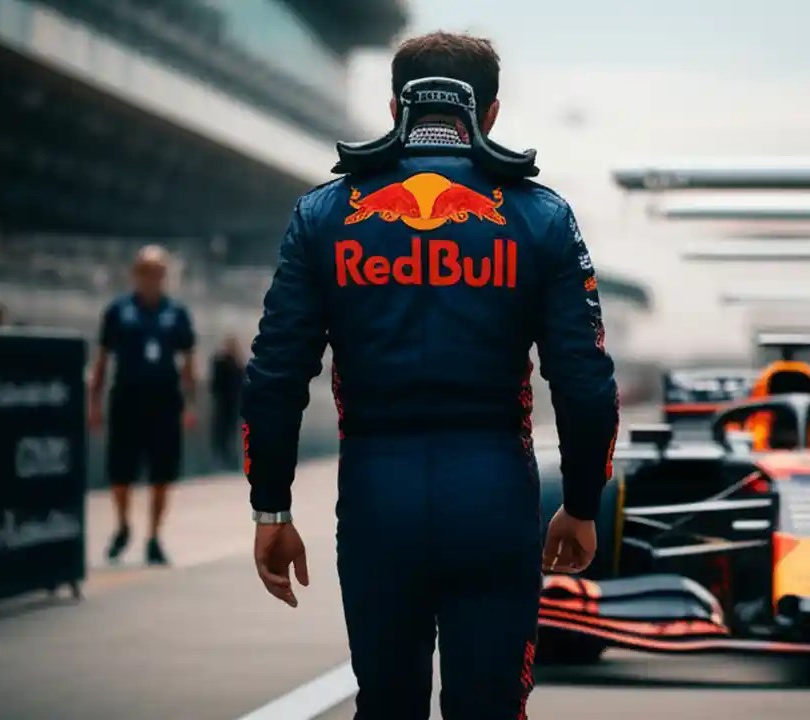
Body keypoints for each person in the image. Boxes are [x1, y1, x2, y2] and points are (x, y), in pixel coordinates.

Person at [240, 32, 620, 720]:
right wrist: (585, 503)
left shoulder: (323, 214)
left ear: (394, 106)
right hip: (495, 495)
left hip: (375, 497)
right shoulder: (541, 215)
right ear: (492, 113)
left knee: (387, 707)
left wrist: (272, 507)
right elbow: (585, 379)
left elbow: (273, 376)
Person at [88, 245, 197, 565]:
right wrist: (94, 402)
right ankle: (122, 525)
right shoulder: (119, 311)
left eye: (159, 273)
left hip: (164, 401)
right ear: (136, 274)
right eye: (146, 272)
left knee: (162, 473)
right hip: (126, 399)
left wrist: (190, 403)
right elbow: (102, 360)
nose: (153, 278)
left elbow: (189, 361)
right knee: (121, 470)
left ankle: (154, 536)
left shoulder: (176, 314)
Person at [208, 335, 245, 468]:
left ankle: (230, 458)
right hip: (223, 401)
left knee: (230, 431)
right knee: (221, 431)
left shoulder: (237, 365)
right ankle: (221, 458)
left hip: (232, 402)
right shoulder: (221, 363)